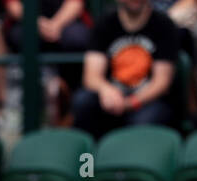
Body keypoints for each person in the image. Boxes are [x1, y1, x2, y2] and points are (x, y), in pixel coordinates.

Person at [72, 0, 180, 136]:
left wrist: (131, 103)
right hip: (111, 98)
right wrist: (106, 90)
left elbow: (161, 83)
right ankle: (87, 155)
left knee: (147, 119)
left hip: (147, 101)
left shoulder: (164, 25)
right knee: (83, 101)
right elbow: (91, 77)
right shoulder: (104, 23)